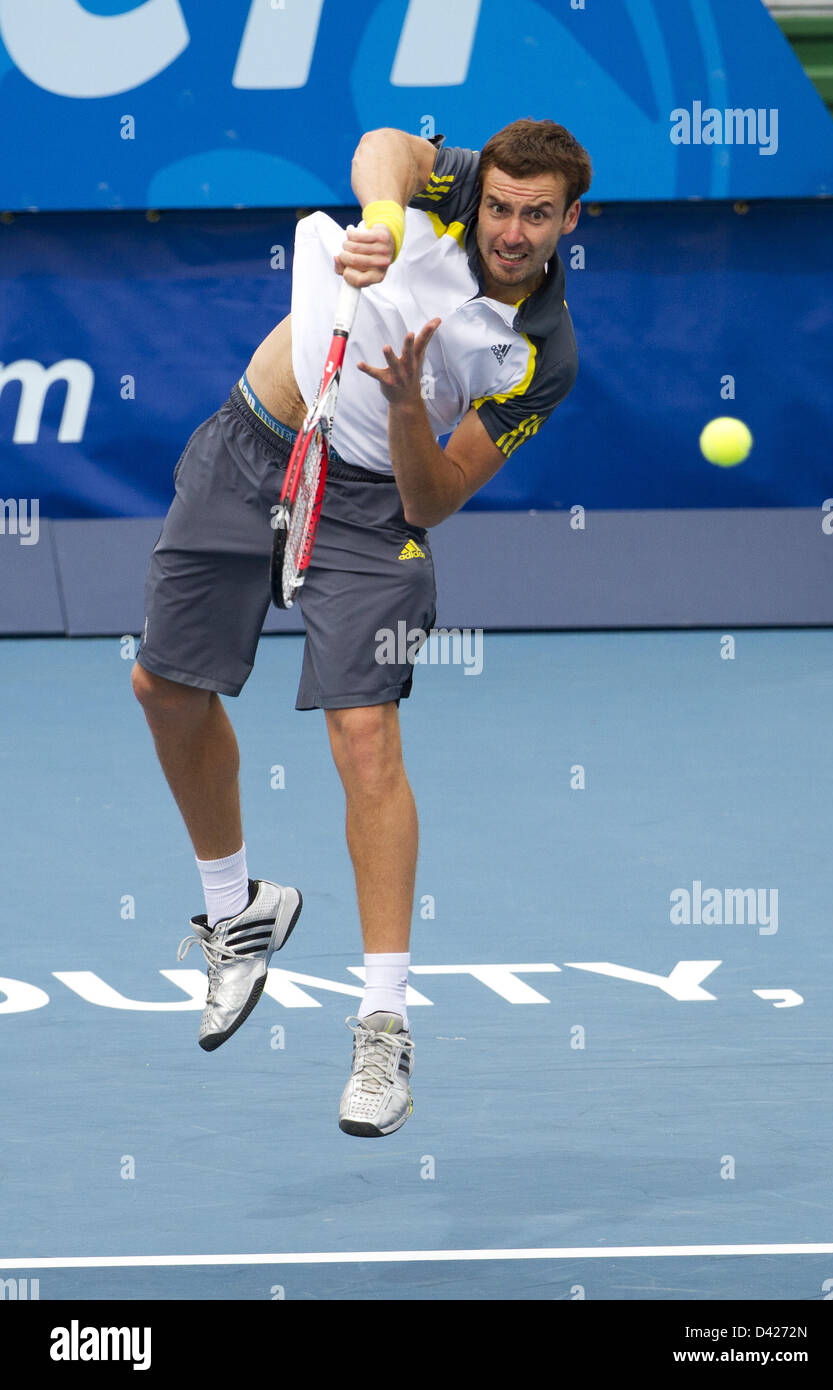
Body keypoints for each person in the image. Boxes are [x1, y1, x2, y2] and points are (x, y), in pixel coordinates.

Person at [131, 119, 592, 1137]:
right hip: (257, 438)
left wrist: (400, 414)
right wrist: (385, 222)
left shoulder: (541, 357)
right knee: (163, 687)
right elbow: (385, 143)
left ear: (570, 220)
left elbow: (436, 498)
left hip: (377, 506)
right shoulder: (451, 189)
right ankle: (236, 906)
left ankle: (383, 1022)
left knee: (364, 734)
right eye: (502, 206)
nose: (511, 228)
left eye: (537, 215)